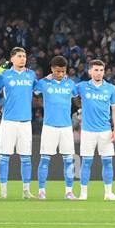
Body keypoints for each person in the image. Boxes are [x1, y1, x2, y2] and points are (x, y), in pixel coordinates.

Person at [34, 56, 80, 200]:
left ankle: (69, 191)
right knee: (45, 159)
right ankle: (42, 190)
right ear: (52, 69)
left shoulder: (71, 84)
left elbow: (77, 97)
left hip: (66, 127)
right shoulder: (43, 83)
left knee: (69, 160)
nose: (61, 74)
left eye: (63, 71)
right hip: (49, 127)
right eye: (58, 71)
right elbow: (34, 91)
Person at [0, 47, 38, 199]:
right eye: (19, 56)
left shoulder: (31, 75)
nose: (23, 59)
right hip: (8, 121)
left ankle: (26, 191)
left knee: (26, 158)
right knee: (4, 157)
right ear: (12, 58)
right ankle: (3, 192)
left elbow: (39, 90)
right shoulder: (4, 75)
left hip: (26, 121)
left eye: (24, 56)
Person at [77, 58, 115, 201]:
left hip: (105, 130)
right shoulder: (82, 86)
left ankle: (108, 193)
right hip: (88, 131)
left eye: (101, 70)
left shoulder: (110, 88)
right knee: (86, 162)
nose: (99, 73)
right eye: (96, 70)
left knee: (107, 161)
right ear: (90, 71)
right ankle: (83, 193)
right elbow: (66, 89)